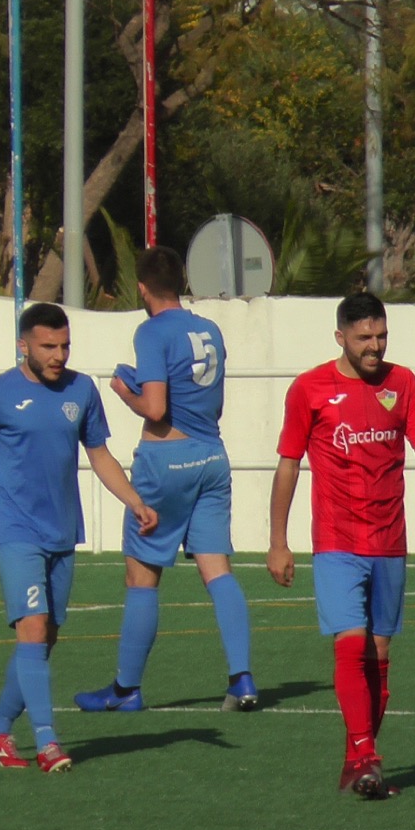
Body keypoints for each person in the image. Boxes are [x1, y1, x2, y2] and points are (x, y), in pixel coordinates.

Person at [0, 303, 157, 773]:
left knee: (44, 638)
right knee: (32, 629)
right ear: (24, 345)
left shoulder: (82, 390)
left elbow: (99, 455)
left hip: (62, 531)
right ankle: (48, 741)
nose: (58, 355)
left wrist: (134, 501)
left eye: (64, 345)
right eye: (48, 346)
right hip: (16, 531)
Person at [267, 293, 415, 801]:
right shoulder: (309, 389)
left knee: (379, 650)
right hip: (336, 540)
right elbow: (288, 465)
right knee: (350, 643)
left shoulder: (403, 383)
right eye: (363, 338)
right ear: (340, 339)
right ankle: (366, 753)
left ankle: (359, 760)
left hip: (389, 539)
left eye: (381, 336)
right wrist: (278, 541)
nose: (374, 347)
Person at [74, 247, 257, 715]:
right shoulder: (209, 329)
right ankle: (242, 680)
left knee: (141, 576)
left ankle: (126, 689)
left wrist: (123, 392)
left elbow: (155, 408)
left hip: (166, 460)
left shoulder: (151, 331)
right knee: (217, 571)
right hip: (212, 456)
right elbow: (199, 394)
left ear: (142, 288)